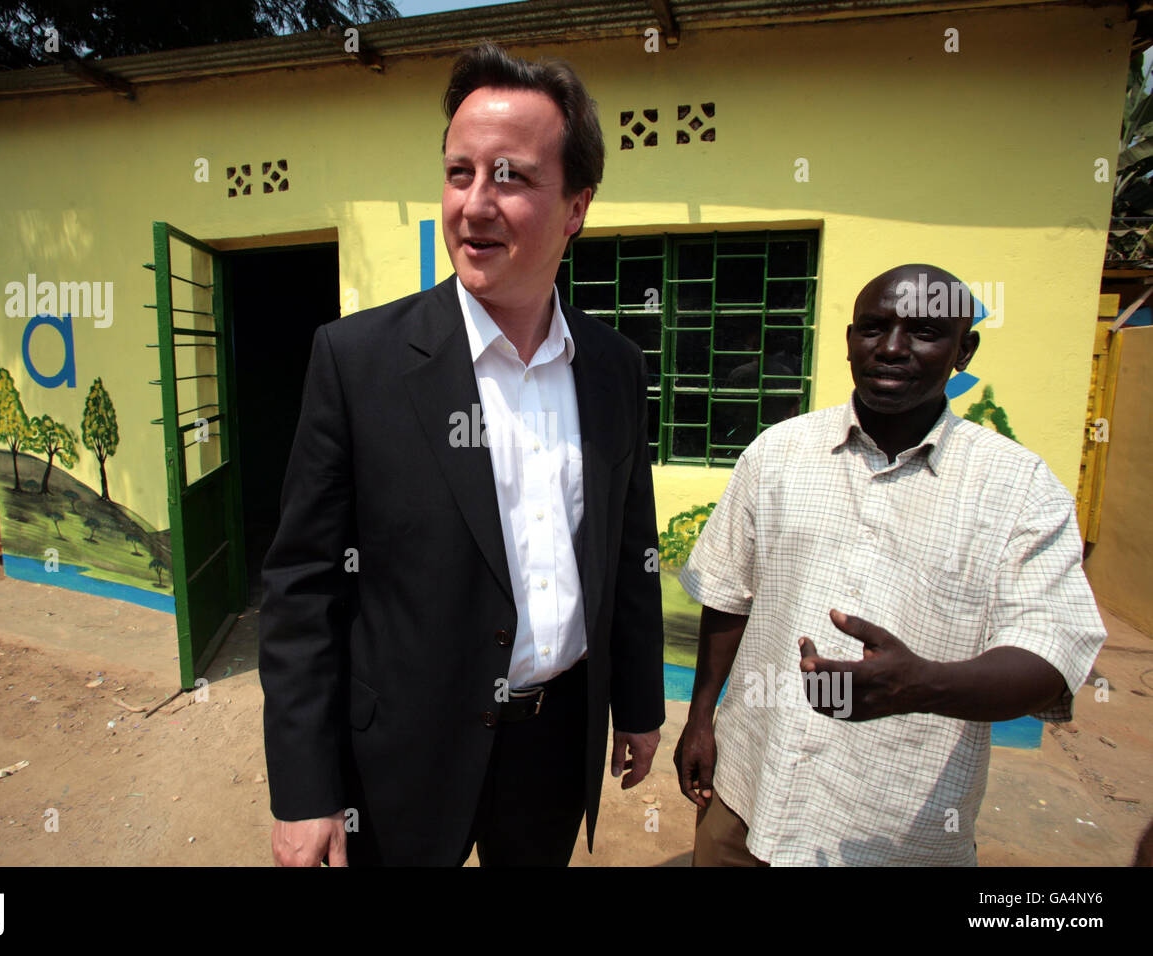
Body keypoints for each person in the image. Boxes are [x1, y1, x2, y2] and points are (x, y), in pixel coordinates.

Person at [259, 42, 665, 867]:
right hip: (404, 753)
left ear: (577, 206)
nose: (475, 204)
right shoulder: (358, 361)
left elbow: (631, 552)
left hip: (555, 747)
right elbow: (302, 589)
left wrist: (642, 705)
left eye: (510, 176)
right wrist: (305, 790)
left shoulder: (615, 369)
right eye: (459, 173)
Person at [673, 263, 1107, 865]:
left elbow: (1050, 658)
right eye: (873, 329)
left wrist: (918, 684)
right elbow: (728, 594)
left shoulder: (1019, 489)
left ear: (964, 350)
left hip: (895, 828)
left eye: (925, 332)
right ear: (850, 340)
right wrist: (701, 719)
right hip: (747, 792)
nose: (893, 348)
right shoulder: (777, 453)